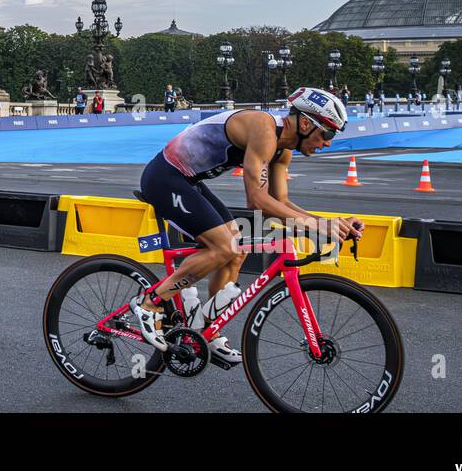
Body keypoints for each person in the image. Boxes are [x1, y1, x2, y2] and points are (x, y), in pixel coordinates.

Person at [131, 87, 362, 362]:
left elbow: (280, 204)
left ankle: (208, 331)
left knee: (236, 251)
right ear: (304, 123)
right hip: (165, 177)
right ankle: (150, 303)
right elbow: (257, 201)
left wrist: (328, 223)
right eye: (328, 133)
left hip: (187, 181)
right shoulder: (264, 130)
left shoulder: (282, 151)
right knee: (224, 247)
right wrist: (317, 226)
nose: (327, 143)